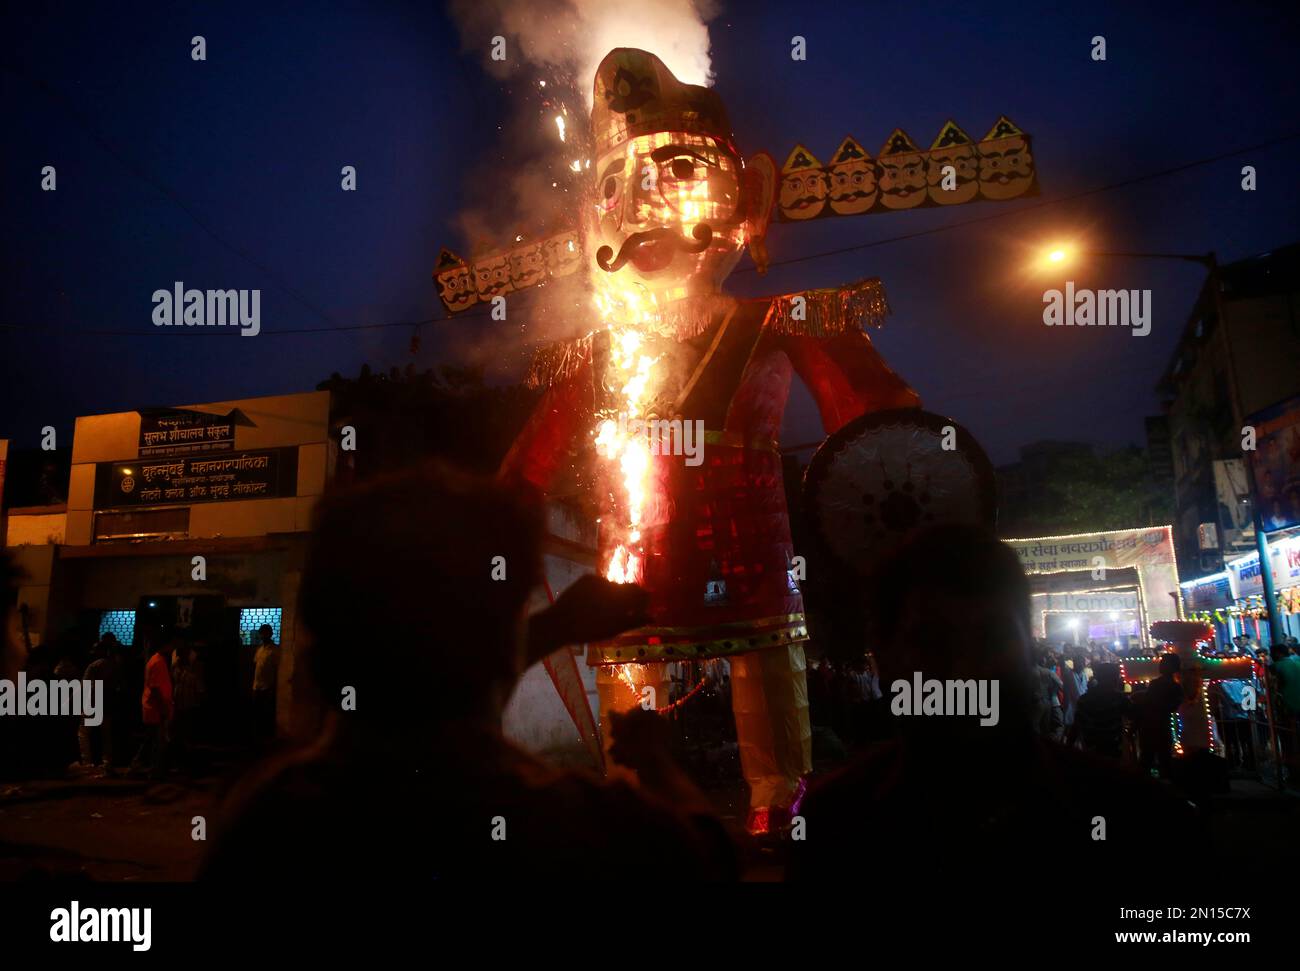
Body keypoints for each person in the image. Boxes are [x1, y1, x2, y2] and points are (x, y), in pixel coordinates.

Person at [201, 462, 734, 882]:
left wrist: (546, 628)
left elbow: (446, 663)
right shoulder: (581, 830)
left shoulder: (261, 820)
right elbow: (710, 852)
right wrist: (655, 760)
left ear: (317, 650)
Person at [787, 524, 1198, 888]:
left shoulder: (1142, 824)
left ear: (1029, 648)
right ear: (884, 658)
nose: (966, 670)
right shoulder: (833, 827)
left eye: (991, 637)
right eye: (933, 642)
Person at [1068, 663, 1132, 759]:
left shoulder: (1084, 699)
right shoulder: (1120, 698)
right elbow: (1133, 715)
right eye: (1116, 675)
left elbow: (1076, 725)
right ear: (1114, 678)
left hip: (1091, 749)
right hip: (1113, 749)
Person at [131, 638, 173, 779]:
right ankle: (153, 771)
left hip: (155, 708)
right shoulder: (157, 662)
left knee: (151, 741)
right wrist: (163, 709)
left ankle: (139, 767)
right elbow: (155, 688)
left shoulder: (157, 660)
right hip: (156, 709)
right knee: (156, 743)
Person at [1136, 653, 1183, 779]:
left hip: (1152, 726)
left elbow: (1148, 703)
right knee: (1163, 759)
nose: (1160, 665)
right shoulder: (1176, 687)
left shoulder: (1157, 684)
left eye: (1163, 662)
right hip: (1162, 726)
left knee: (1147, 759)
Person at [79, 644, 119, 774]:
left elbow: (87, 686)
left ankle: (87, 762)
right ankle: (107, 762)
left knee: (84, 733)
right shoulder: (113, 665)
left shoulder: (94, 666)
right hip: (107, 703)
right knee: (106, 735)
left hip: (92, 702)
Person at [252, 624, 278, 742]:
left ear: (270, 634)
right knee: (257, 713)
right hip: (257, 686)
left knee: (266, 713)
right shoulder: (260, 649)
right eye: (262, 633)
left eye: (265, 633)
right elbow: (256, 666)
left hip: (267, 687)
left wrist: (273, 687)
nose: (263, 636)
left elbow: (278, 669)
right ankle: (257, 737)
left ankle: (266, 738)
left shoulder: (275, 650)